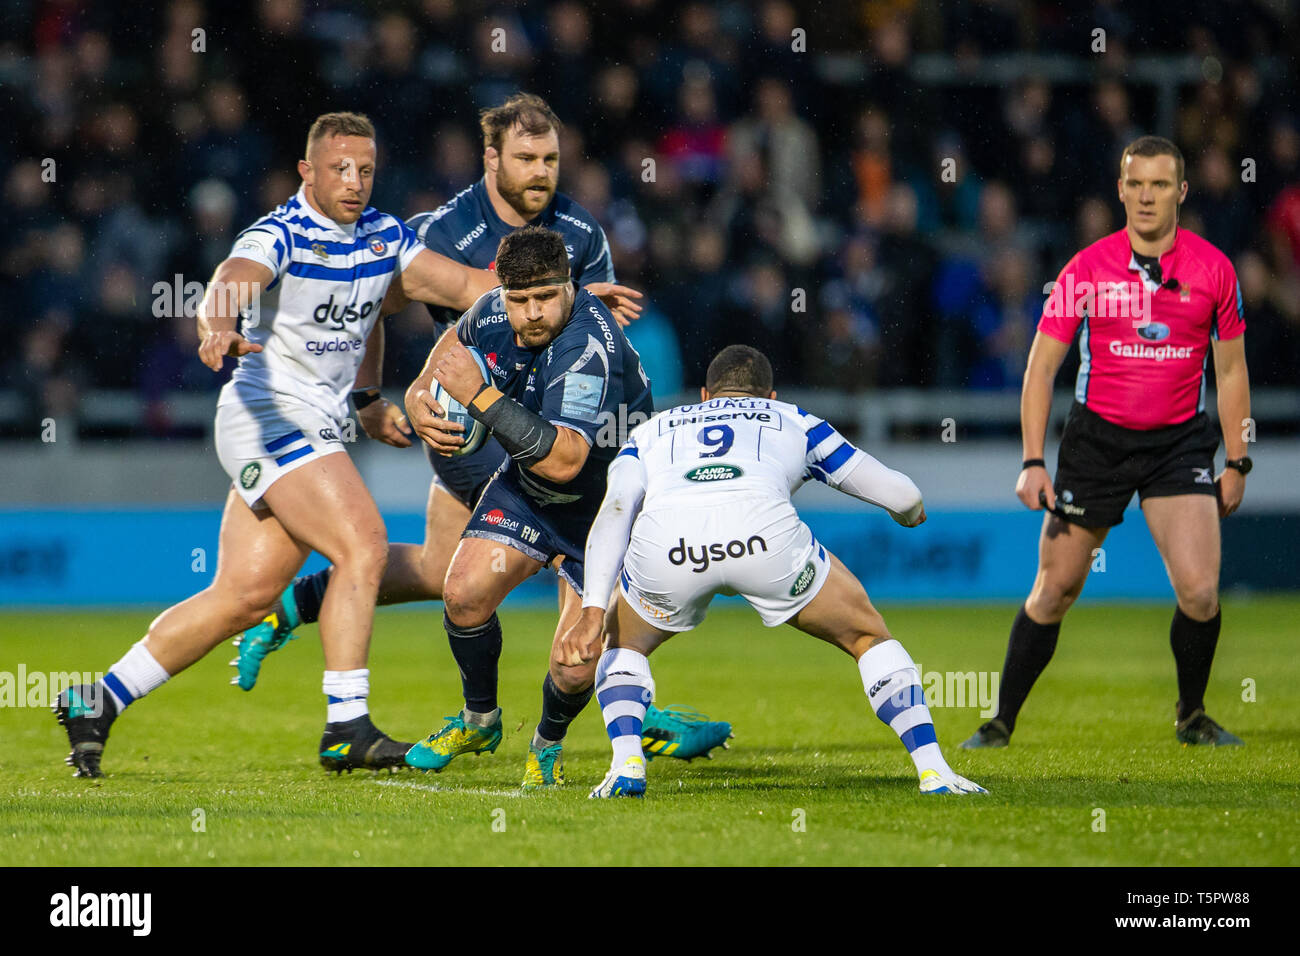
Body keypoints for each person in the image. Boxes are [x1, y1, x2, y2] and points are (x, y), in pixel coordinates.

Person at [231, 94, 730, 761]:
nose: (541, 172)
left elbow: (598, 343)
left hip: (561, 424)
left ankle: (301, 605)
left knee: (449, 571)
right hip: (469, 428)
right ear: (491, 158)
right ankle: (617, 699)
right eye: (525, 158)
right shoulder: (442, 232)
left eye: (551, 158)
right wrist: (374, 395)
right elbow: (373, 304)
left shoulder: (581, 233)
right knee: (562, 560)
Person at [54, 112, 499, 777]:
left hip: (308, 425)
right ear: (308, 173)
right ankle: (347, 725)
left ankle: (99, 698)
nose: (353, 182)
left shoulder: (385, 237)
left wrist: (564, 297)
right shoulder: (282, 232)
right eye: (339, 169)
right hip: (268, 413)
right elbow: (231, 280)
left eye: (366, 170)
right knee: (363, 546)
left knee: (245, 595)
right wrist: (217, 325)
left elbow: (465, 289)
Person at [557, 344, 986, 798]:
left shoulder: (651, 431)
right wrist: (910, 514)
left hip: (669, 550)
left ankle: (626, 765)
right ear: (771, 395)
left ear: (704, 395)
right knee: (867, 637)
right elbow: (902, 495)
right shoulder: (794, 419)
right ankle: (934, 771)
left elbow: (616, 512)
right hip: (764, 542)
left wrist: (593, 608)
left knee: (623, 645)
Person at [401, 225, 720, 788]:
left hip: (606, 511)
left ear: (570, 286)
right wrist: (417, 397)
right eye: (518, 299)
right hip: (529, 490)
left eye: (545, 297)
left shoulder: (585, 347)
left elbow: (567, 460)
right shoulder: (490, 310)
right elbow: (445, 356)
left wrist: (479, 396)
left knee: (574, 666)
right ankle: (479, 719)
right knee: (462, 594)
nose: (531, 313)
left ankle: (546, 742)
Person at [961, 136, 1251, 750]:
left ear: (1181, 192)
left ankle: (1192, 715)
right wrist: (1033, 461)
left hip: (1179, 444)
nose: (1147, 197)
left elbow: (1230, 373)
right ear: (1120, 190)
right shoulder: (1086, 270)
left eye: (1160, 185)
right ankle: (1000, 721)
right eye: (1136, 184)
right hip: (1096, 443)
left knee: (1200, 591)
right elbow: (1040, 369)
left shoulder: (1214, 271)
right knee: (1055, 589)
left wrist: (1238, 459)